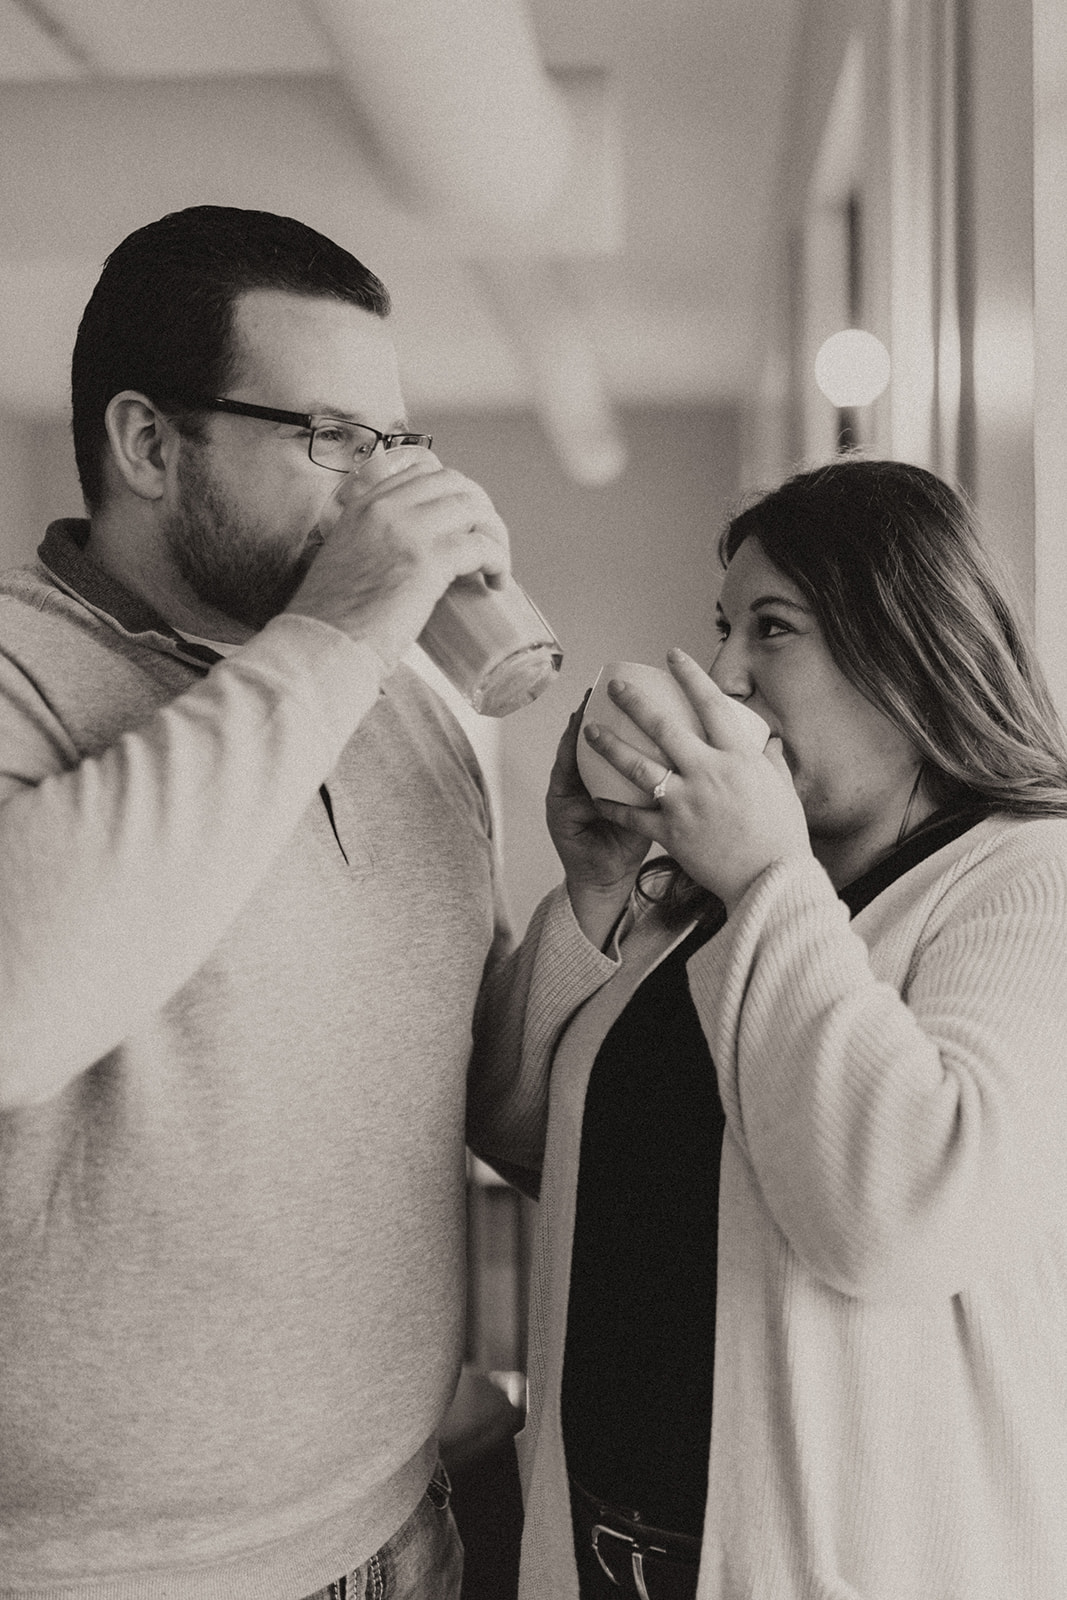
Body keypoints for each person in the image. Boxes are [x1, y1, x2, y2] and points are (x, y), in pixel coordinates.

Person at [0, 204, 519, 1599]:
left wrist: (606, 906)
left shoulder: (399, 707)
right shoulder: (19, 674)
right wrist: (338, 637)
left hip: (398, 1527)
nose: (379, 488)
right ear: (149, 444)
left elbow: (497, 1098)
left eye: (397, 443)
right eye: (331, 438)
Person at [468, 457, 1067, 1599]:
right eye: (720, 624)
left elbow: (900, 1213)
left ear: (904, 644)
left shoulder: (1021, 880)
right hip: (599, 1551)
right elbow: (522, 1136)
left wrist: (763, 872)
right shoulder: (706, 901)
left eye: (771, 628)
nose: (722, 671)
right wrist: (596, 885)